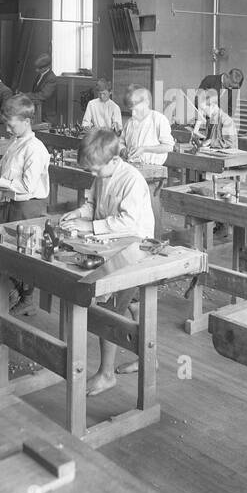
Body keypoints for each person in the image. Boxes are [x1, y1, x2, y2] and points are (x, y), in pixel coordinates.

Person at [59, 129, 156, 394]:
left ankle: (106, 374)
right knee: (134, 305)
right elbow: (92, 205)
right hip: (110, 243)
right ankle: (148, 357)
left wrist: (89, 225)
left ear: (114, 161)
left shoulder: (132, 180)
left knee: (110, 310)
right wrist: (78, 213)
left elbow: (128, 223)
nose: (92, 175)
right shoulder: (102, 175)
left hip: (135, 249)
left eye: (95, 170)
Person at [0, 94, 50, 317]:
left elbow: (26, 186)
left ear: (26, 120)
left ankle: (28, 300)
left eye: (10, 123)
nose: (7, 127)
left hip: (29, 207)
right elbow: (4, 170)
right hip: (12, 203)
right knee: (8, 251)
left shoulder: (35, 148)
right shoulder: (16, 142)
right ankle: (17, 291)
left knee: (26, 255)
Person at [122, 86, 174, 238]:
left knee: (151, 208)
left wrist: (144, 149)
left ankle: (155, 239)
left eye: (135, 109)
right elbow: (121, 142)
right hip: (133, 168)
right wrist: (123, 150)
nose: (132, 113)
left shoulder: (158, 119)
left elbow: (168, 146)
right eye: (130, 110)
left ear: (146, 102)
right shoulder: (131, 122)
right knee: (130, 207)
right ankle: (134, 237)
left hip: (152, 172)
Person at [30, 55, 59, 127]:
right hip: (38, 115)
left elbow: (43, 95)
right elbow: (35, 92)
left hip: (47, 117)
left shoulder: (52, 78)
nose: (36, 70)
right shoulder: (40, 75)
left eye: (39, 68)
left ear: (47, 67)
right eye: (36, 67)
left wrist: (26, 95)